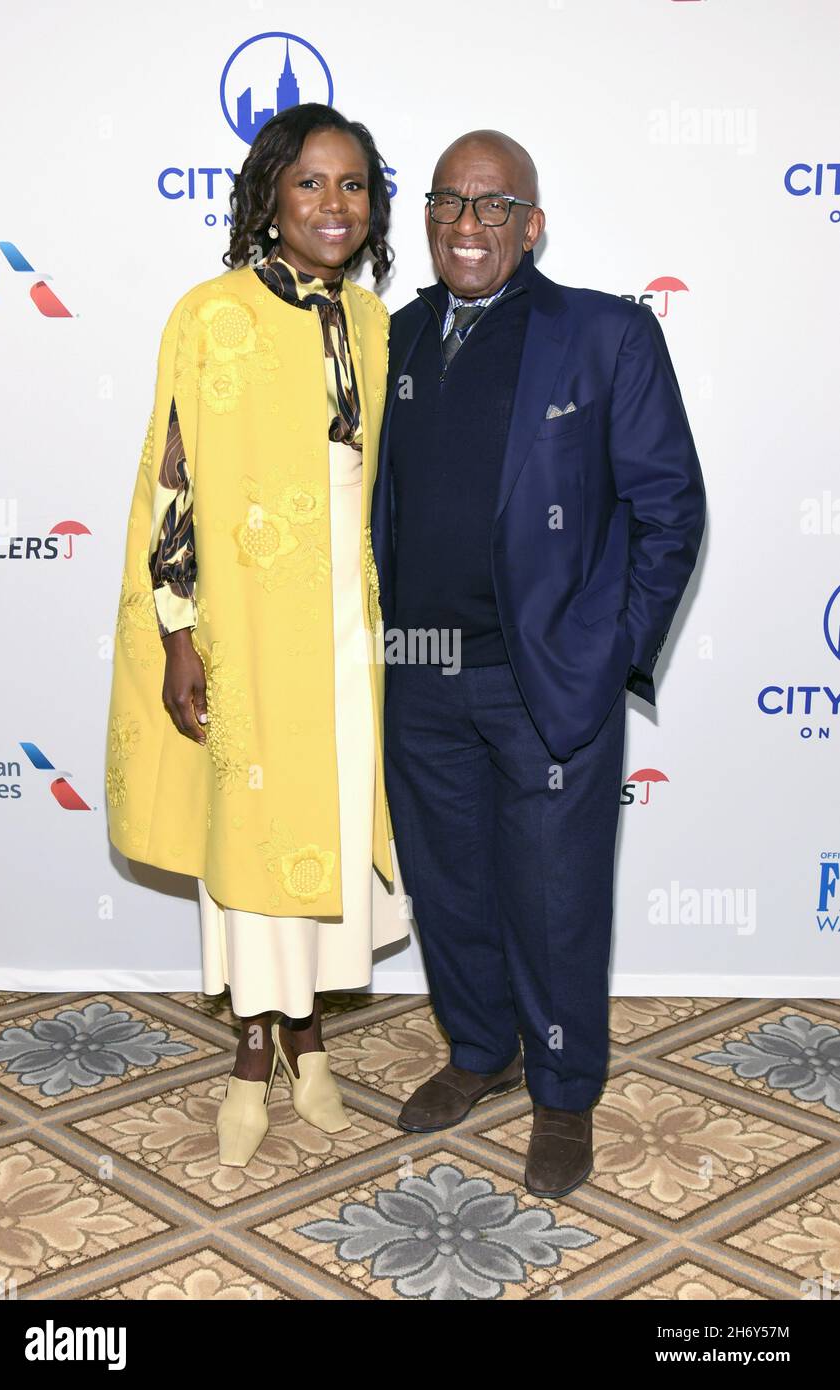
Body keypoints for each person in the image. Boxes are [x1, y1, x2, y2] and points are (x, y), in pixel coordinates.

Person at [371, 129, 706, 1198]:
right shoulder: (396, 336)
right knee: (448, 881)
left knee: (554, 895)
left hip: (542, 673)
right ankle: (482, 1049)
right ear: (425, 219)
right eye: (447, 205)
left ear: (531, 222)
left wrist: (607, 654)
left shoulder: (603, 335)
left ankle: (564, 1092)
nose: (467, 226)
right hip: (418, 664)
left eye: (491, 206)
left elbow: (669, 507)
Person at [106, 103, 407, 1168]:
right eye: (312, 183)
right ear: (269, 194)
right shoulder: (211, 314)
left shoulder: (375, 323)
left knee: (326, 823)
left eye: (355, 185)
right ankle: (250, 1053)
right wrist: (180, 636)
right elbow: (172, 483)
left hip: (348, 619)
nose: (335, 204)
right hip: (244, 616)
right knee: (246, 832)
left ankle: (311, 1042)